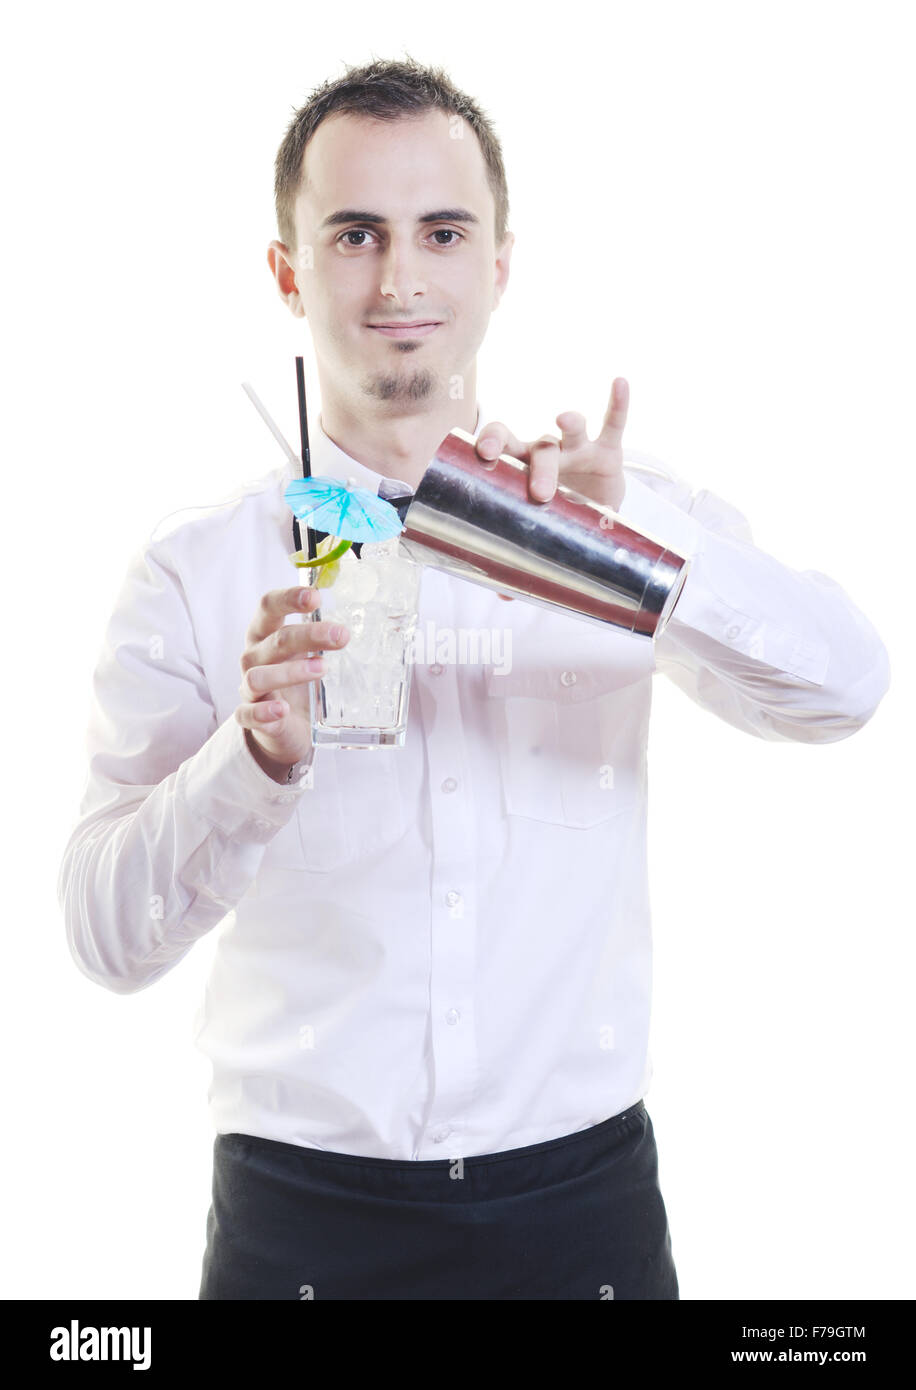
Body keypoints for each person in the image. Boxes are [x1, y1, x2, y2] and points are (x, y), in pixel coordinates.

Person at [57, 56, 890, 1301]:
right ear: (288, 272)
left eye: (441, 232)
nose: (400, 279)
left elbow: (846, 689)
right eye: (354, 235)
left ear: (498, 264)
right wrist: (254, 760)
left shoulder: (615, 511)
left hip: (583, 1211)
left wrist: (635, 560)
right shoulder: (195, 570)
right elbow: (102, 939)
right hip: (300, 1222)